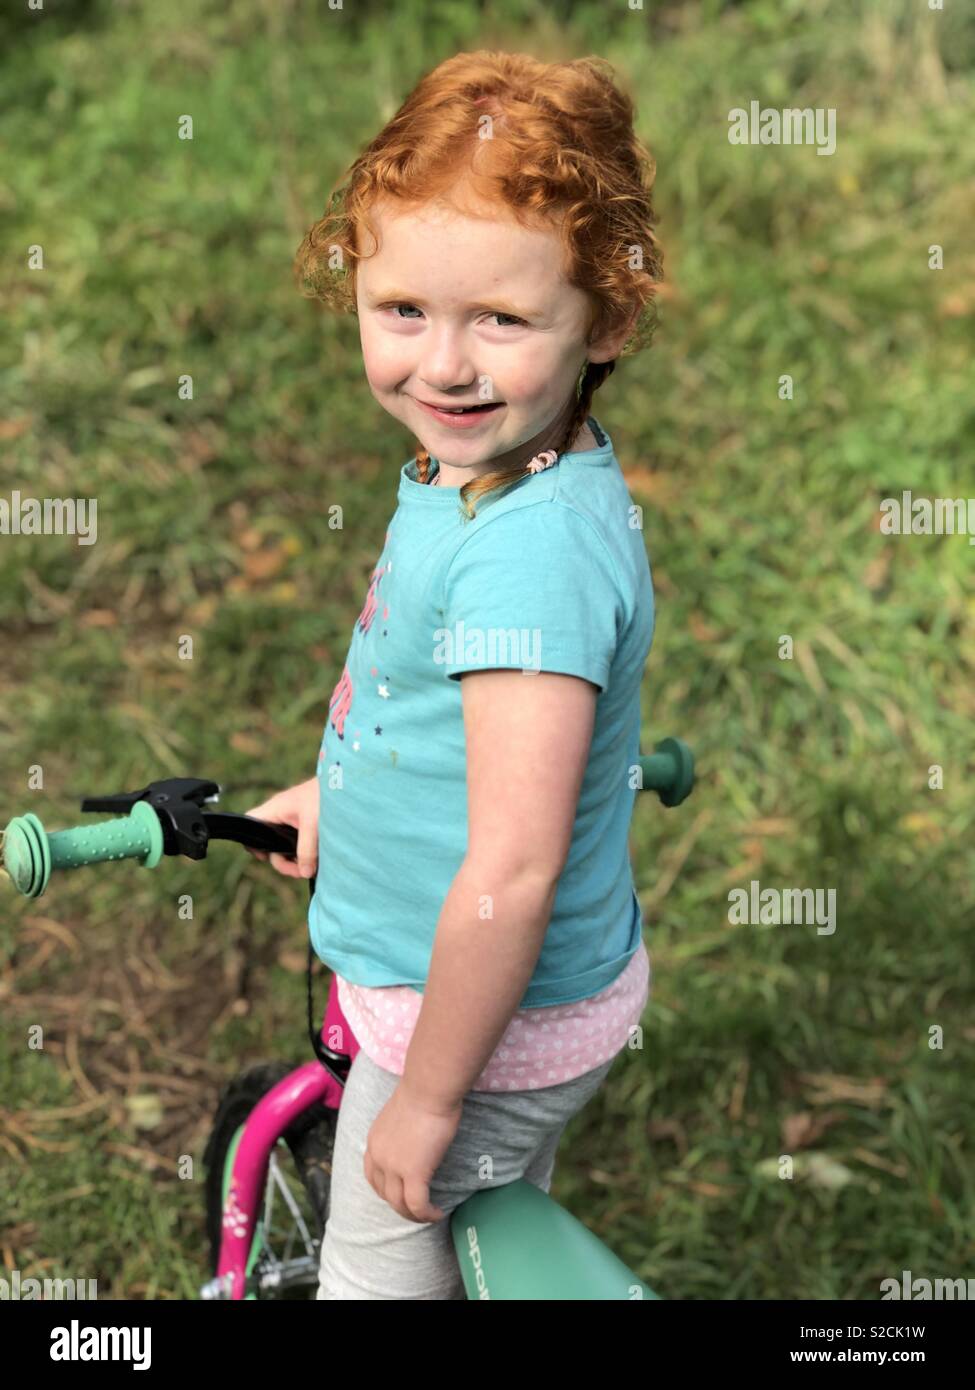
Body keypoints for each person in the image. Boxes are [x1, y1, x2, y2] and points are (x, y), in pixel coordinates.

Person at [246, 49, 664, 1299]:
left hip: (476, 1030)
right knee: (477, 1243)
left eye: (502, 319)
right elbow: (433, 716)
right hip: (490, 1004)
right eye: (404, 311)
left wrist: (427, 1098)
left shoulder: (527, 564)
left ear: (610, 317)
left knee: (381, 1277)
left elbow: (514, 867)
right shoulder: (488, 466)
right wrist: (345, 798)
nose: (443, 364)